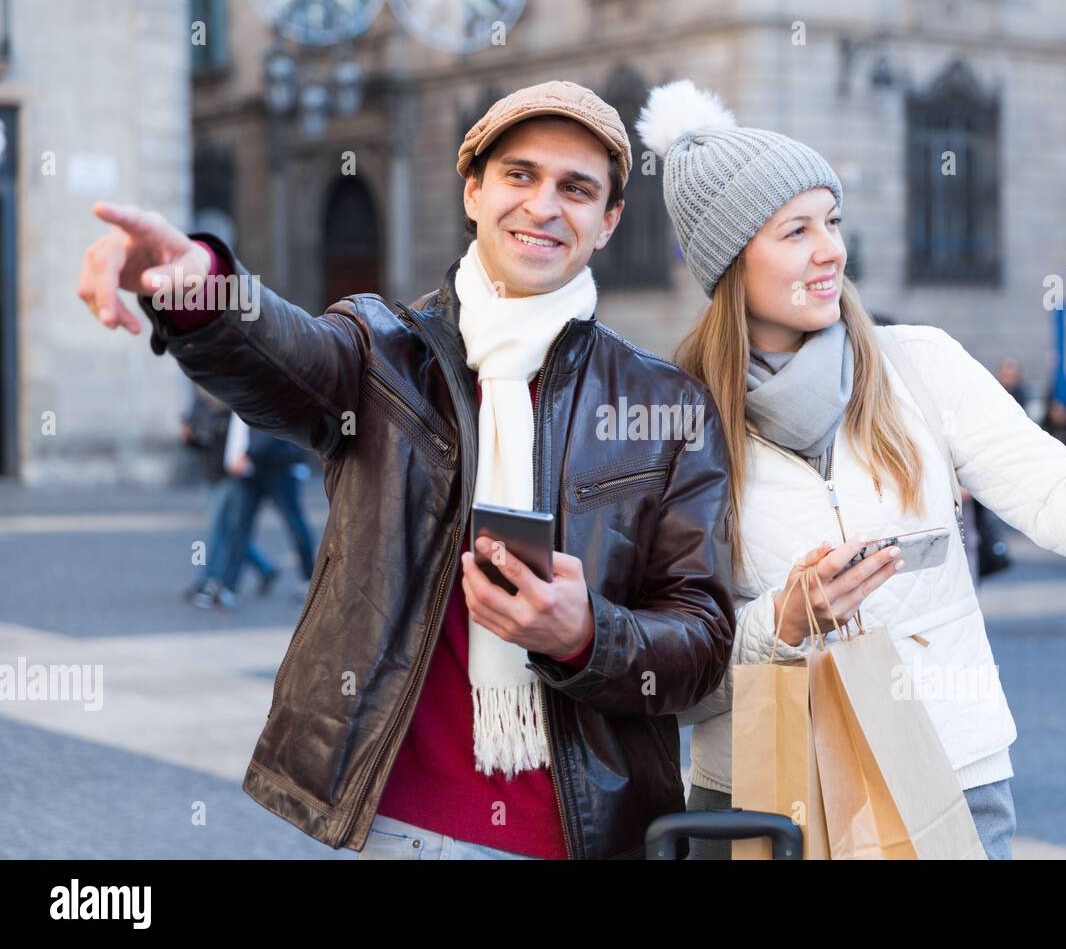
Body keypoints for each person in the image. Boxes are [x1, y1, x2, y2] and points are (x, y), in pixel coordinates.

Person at [75, 80, 735, 860]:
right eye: (519, 176)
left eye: (576, 189)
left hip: (590, 836)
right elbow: (285, 356)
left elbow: (700, 641)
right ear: (474, 191)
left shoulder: (665, 405)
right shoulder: (382, 353)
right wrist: (200, 285)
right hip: (407, 834)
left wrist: (587, 634)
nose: (544, 205)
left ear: (609, 221)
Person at [635, 79, 1066, 860]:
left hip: (945, 782)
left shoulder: (922, 366)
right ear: (730, 260)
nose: (830, 250)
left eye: (833, 221)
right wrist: (779, 626)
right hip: (761, 796)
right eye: (795, 230)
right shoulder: (674, 420)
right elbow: (661, 675)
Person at [180, 386, 278, 610]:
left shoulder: (231, 394)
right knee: (228, 530)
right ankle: (265, 568)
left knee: (219, 528)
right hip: (210, 472)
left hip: (229, 474)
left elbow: (239, 435)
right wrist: (188, 435)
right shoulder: (200, 400)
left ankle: (209, 579)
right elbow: (198, 435)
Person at [216, 412, 317, 606]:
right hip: (248, 471)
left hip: (277, 467)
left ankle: (310, 580)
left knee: (295, 524)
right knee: (240, 528)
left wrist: (247, 454)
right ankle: (228, 586)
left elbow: (270, 420)